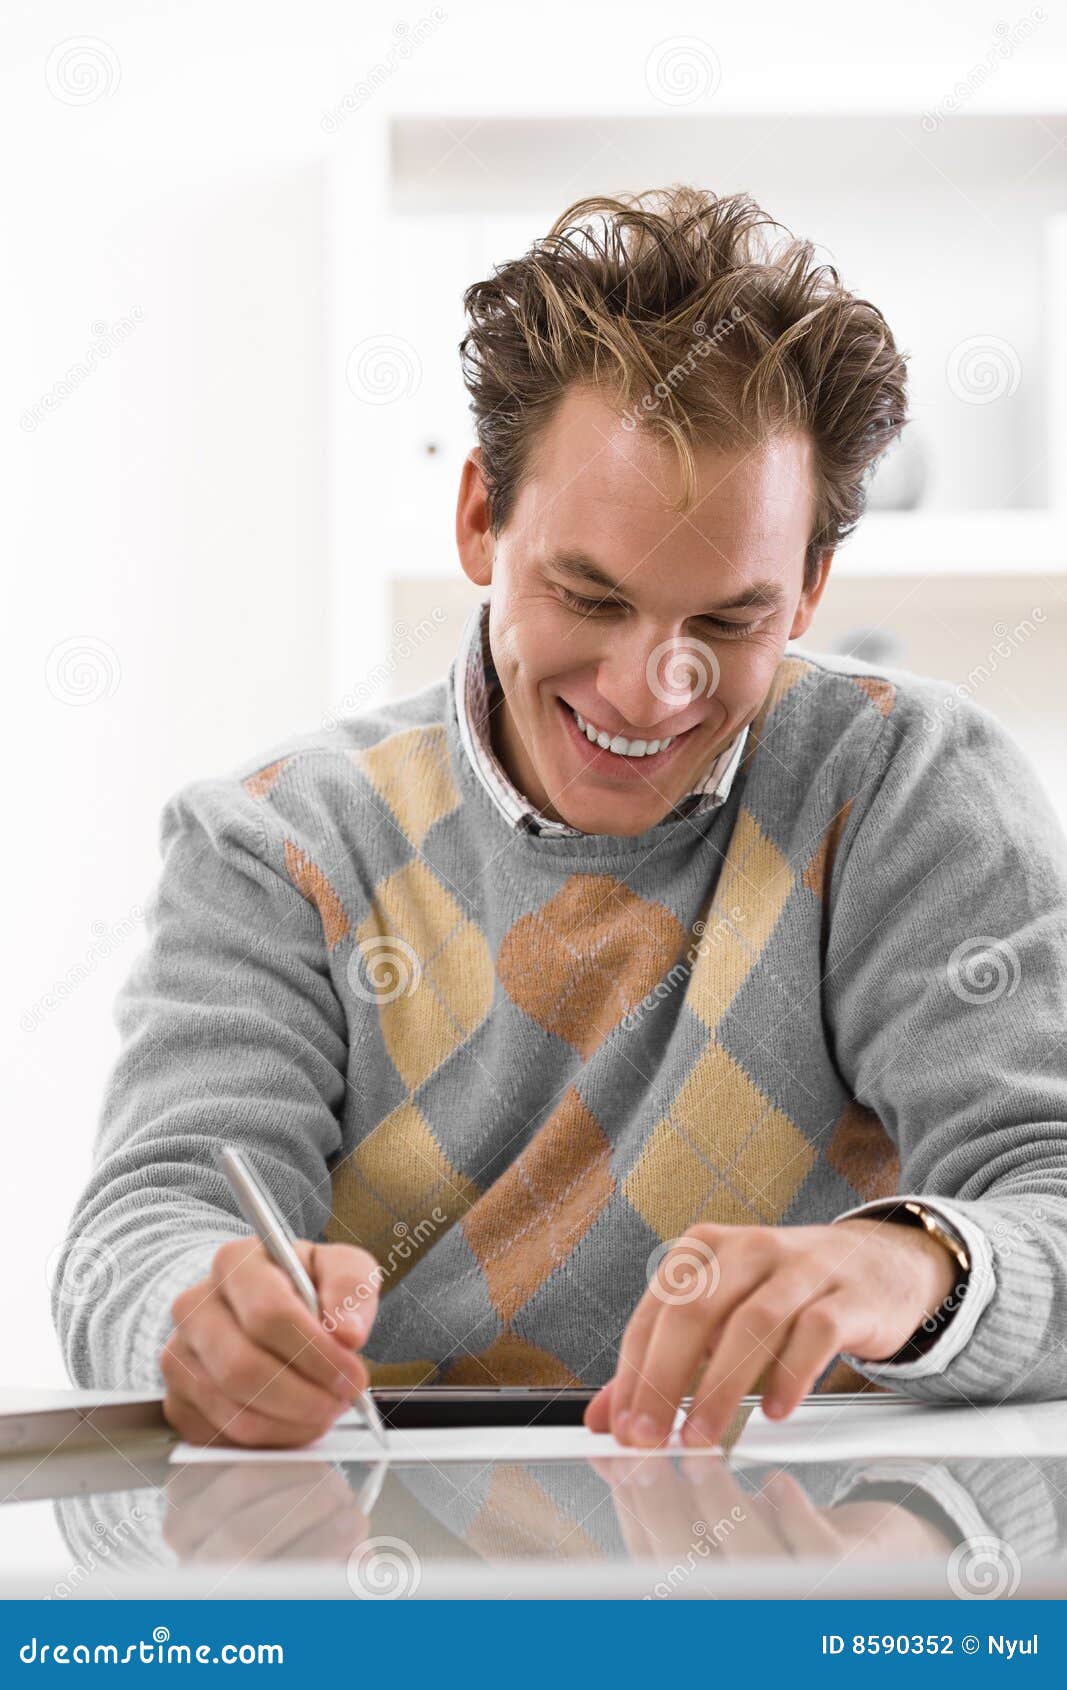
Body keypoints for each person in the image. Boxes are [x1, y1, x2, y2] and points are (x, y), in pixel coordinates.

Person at [54, 186, 1067, 1450]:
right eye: (589, 598)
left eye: (727, 621)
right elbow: (144, 1227)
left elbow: (1047, 1182)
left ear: (809, 586)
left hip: (801, 1543)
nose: (650, 688)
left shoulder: (899, 788)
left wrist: (907, 1266)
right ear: (480, 519)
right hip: (386, 1557)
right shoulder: (278, 844)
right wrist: (194, 1315)